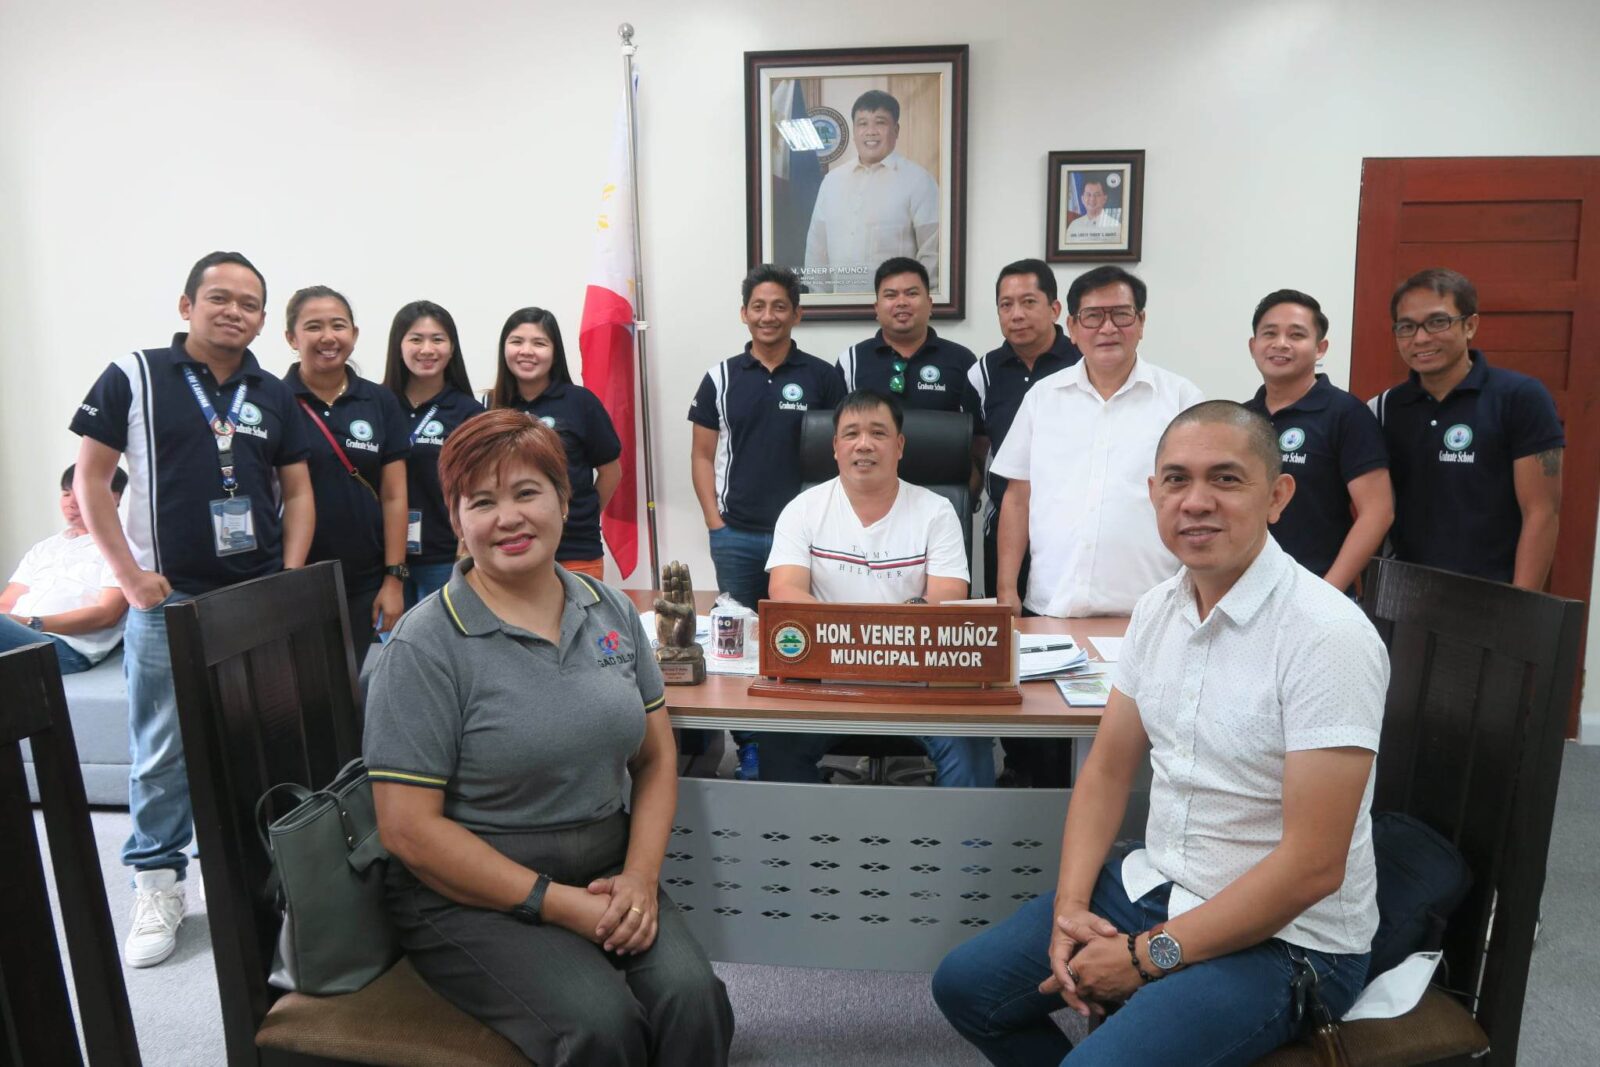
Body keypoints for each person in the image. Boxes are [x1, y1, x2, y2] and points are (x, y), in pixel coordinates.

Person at [934, 401, 1387, 1065]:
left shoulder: (1327, 635)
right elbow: (1109, 769)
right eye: (1176, 479)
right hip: (1160, 882)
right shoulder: (1157, 608)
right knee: (965, 986)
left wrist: (1147, 958)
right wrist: (1070, 907)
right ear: (1154, 493)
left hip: (1290, 938)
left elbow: (1313, 866)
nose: (1196, 500)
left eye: (1226, 479)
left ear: (1277, 495)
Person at [364, 410, 733, 1066]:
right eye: (483, 500)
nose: (508, 516)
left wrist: (641, 879)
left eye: (527, 492)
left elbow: (655, 756)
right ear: (457, 519)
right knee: (602, 1025)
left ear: (565, 500)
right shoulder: (424, 644)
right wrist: (554, 902)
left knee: (694, 999)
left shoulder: (610, 607)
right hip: (471, 889)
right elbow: (406, 831)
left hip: (607, 864)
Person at [70, 251, 314, 967]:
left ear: (264, 318)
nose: (234, 311)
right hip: (167, 600)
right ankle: (158, 882)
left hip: (254, 600)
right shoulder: (135, 374)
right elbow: (92, 479)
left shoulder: (273, 392)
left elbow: (296, 492)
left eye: (249, 302)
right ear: (186, 305)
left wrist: (287, 578)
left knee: (259, 740)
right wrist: (130, 577)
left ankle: (252, 878)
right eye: (219, 298)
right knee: (162, 751)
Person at [750, 390, 995, 787]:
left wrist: (858, 634)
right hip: (824, 680)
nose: (864, 444)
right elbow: (785, 592)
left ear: (899, 445)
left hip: (920, 681)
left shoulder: (936, 511)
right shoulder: (803, 509)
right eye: (851, 434)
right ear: (834, 447)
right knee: (780, 743)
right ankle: (801, 848)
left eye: (878, 433)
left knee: (971, 749)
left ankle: (962, 848)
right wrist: (867, 637)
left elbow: (947, 600)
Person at [688, 265, 845, 778]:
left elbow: (840, 454)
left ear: (797, 313)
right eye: (758, 306)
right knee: (740, 645)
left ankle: (797, 746)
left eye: (779, 306)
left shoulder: (823, 377)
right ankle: (751, 745)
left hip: (807, 541)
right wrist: (715, 523)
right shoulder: (722, 377)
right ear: (744, 314)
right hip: (738, 534)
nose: (768, 315)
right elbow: (701, 455)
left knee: (801, 638)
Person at [992, 266, 1204, 619]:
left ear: (1141, 322)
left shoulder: (1181, 400)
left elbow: (1199, 499)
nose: (1108, 328)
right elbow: (1017, 497)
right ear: (1073, 328)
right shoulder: (1042, 398)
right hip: (1051, 607)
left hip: (1154, 611)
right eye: (1092, 317)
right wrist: (1005, 590)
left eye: (1121, 314)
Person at [1370, 268, 1564, 589]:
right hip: (1404, 595)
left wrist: (1521, 606)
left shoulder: (1522, 398)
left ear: (1470, 325)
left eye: (1437, 322)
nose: (1420, 338)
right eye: (1406, 327)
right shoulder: (1384, 408)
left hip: (1493, 596)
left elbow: (1542, 512)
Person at [969, 260, 1083, 787]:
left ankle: (1072, 764)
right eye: (1005, 305)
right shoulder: (984, 371)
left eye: (1028, 302)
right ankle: (1019, 763)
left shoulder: (1085, 360)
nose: (1016, 315)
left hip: (1071, 530)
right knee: (1013, 647)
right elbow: (978, 446)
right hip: (1007, 526)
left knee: (1070, 644)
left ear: (1056, 309)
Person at [283, 286, 410, 666]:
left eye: (338, 326)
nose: (328, 337)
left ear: (353, 334)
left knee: (349, 683)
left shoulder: (379, 401)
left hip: (363, 578)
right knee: (295, 689)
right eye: (313, 326)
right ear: (292, 337)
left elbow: (394, 495)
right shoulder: (274, 399)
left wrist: (393, 578)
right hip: (292, 579)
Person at [1242, 289, 1392, 592]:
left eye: (1296, 335)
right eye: (1269, 333)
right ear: (1253, 345)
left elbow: (1377, 511)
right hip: (1245, 589)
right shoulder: (1241, 418)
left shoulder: (1347, 414)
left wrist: (1327, 591)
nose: (1280, 344)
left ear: (1320, 347)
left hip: (1318, 589)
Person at [488, 307, 622, 581]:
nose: (527, 351)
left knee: (579, 623)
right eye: (517, 342)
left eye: (539, 343)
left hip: (575, 550)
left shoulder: (580, 402)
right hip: (511, 546)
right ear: (504, 349)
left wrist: (582, 512)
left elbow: (611, 472)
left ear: (554, 351)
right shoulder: (490, 408)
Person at [835, 256, 985, 496]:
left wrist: (970, 492)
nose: (901, 302)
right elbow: (840, 437)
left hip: (942, 499)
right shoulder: (851, 362)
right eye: (891, 295)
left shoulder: (962, 361)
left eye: (912, 294)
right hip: (869, 499)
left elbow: (977, 438)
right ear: (876, 308)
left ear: (929, 303)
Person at [382, 300, 484, 607]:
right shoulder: (378, 405)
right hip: (383, 559)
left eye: (437, 339)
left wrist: (466, 548)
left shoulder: (469, 413)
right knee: (392, 651)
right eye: (416, 339)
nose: (427, 349)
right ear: (398, 346)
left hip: (444, 556)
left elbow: (477, 486)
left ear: (452, 348)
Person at [804, 90, 940, 295]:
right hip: (838, 312)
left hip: (898, 314)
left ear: (896, 130)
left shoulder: (919, 180)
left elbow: (933, 252)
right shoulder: (832, 182)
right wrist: (820, 307)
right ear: (854, 130)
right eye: (863, 123)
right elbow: (816, 252)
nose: (871, 131)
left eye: (880, 122)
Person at [0, 464, 130, 673]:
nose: (71, 503)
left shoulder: (124, 546)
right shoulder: (45, 547)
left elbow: (107, 614)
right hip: (14, 639)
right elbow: (6, 603)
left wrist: (31, 623)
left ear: (113, 497)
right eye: (66, 494)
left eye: (79, 494)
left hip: (62, 648)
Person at [1064, 177, 1122, 243]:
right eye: (1088, 194)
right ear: (1082, 199)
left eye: (1097, 195)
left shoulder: (1116, 227)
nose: (1092, 199)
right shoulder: (1073, 226)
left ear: (1105, 198)